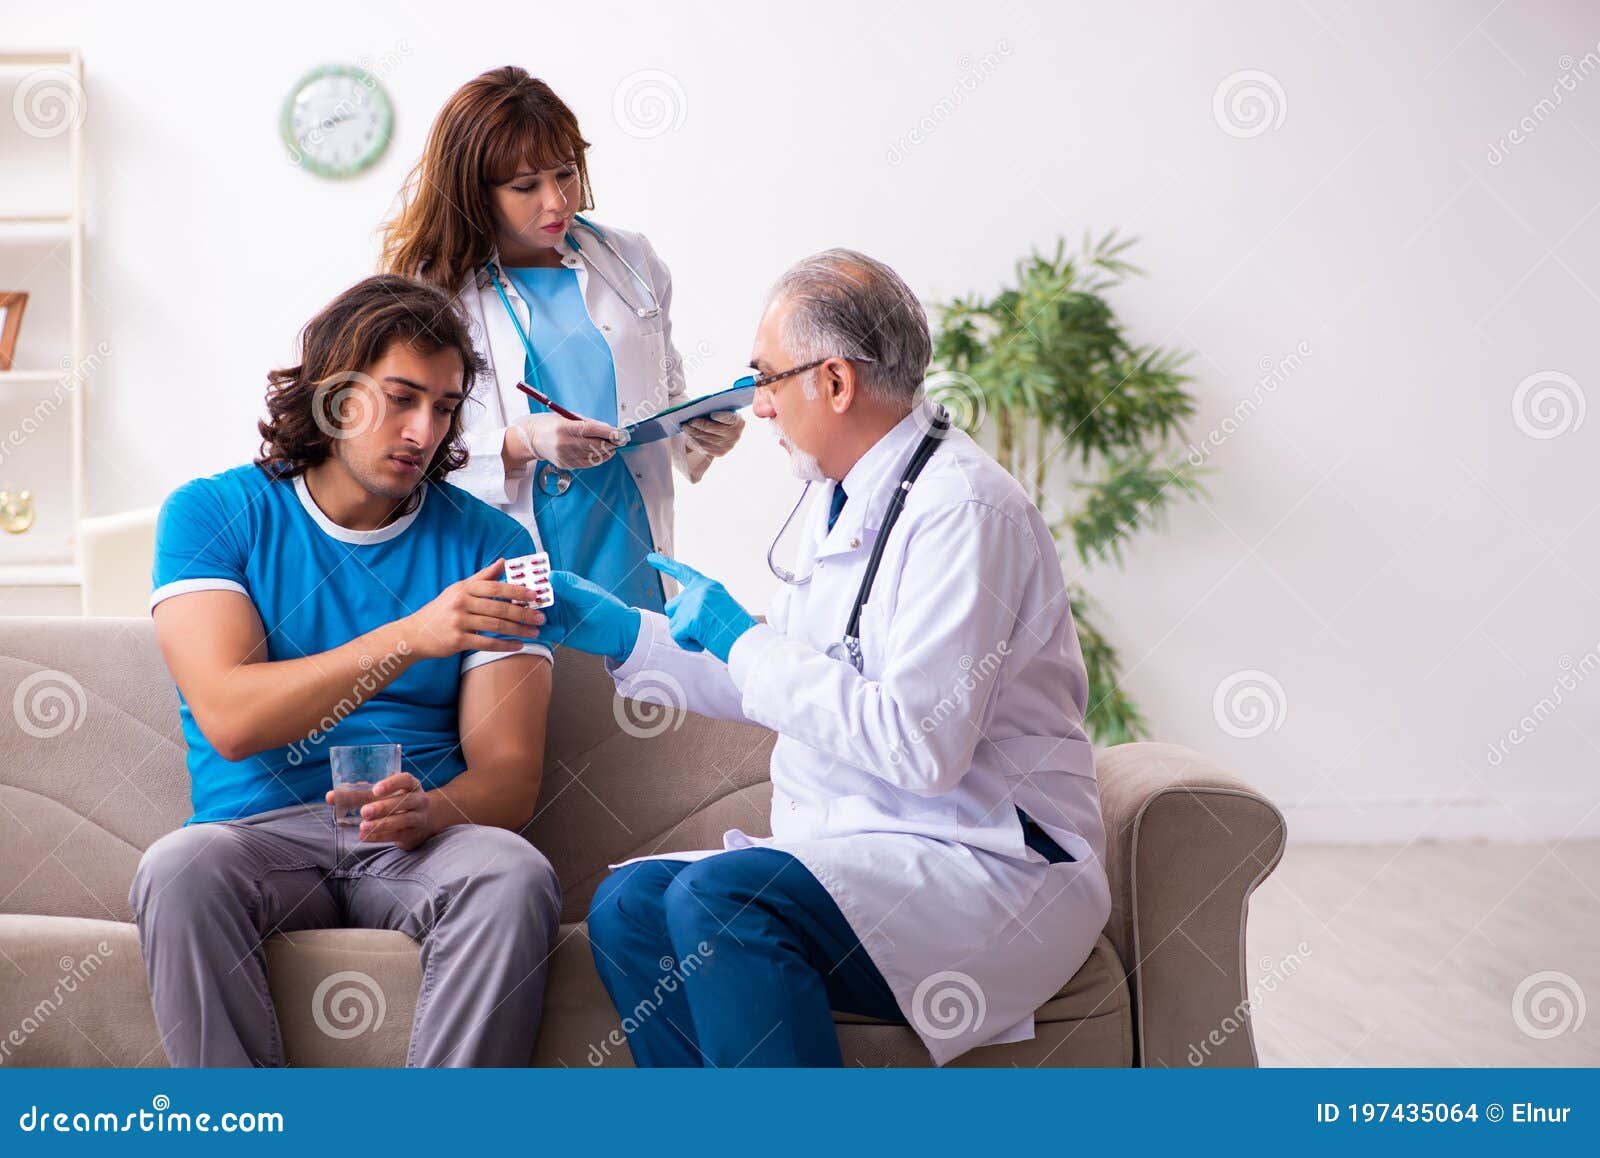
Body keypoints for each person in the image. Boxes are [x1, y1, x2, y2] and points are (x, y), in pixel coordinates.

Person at [542, 249, 1112, 1067]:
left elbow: (919, 745)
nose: (759, 407)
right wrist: (628, 634)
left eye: (767, 378)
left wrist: (743, 635)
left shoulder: (965, 512)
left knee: (723, 901)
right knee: (628, 904)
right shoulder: (837, 498)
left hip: (985, 863)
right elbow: (797, 679)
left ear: (835, 382)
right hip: (875, 850)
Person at [130, 275, 561, 1067]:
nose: (423, 429)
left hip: (419, 842)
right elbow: (231, 717)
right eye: (400, 398)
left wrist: (433, 811)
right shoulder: (212, 513)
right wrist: (412, 636)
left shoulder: (498, 546)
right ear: (334, 395)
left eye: (444, 406)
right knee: (177, 870)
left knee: (512, 873)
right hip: (258, 838)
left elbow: (509, 781)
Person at [382, 66, 743, 613]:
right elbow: (408, 448)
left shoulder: (631, 259)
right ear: (473, 192)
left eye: (566, 174)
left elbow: (664, 390)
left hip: (627, 525)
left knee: (636, 668)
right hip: (512, 535)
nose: (557, 202)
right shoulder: (431, 292)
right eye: (526, 186)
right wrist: (522, 440)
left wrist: (699, 433)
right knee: (537, 675)